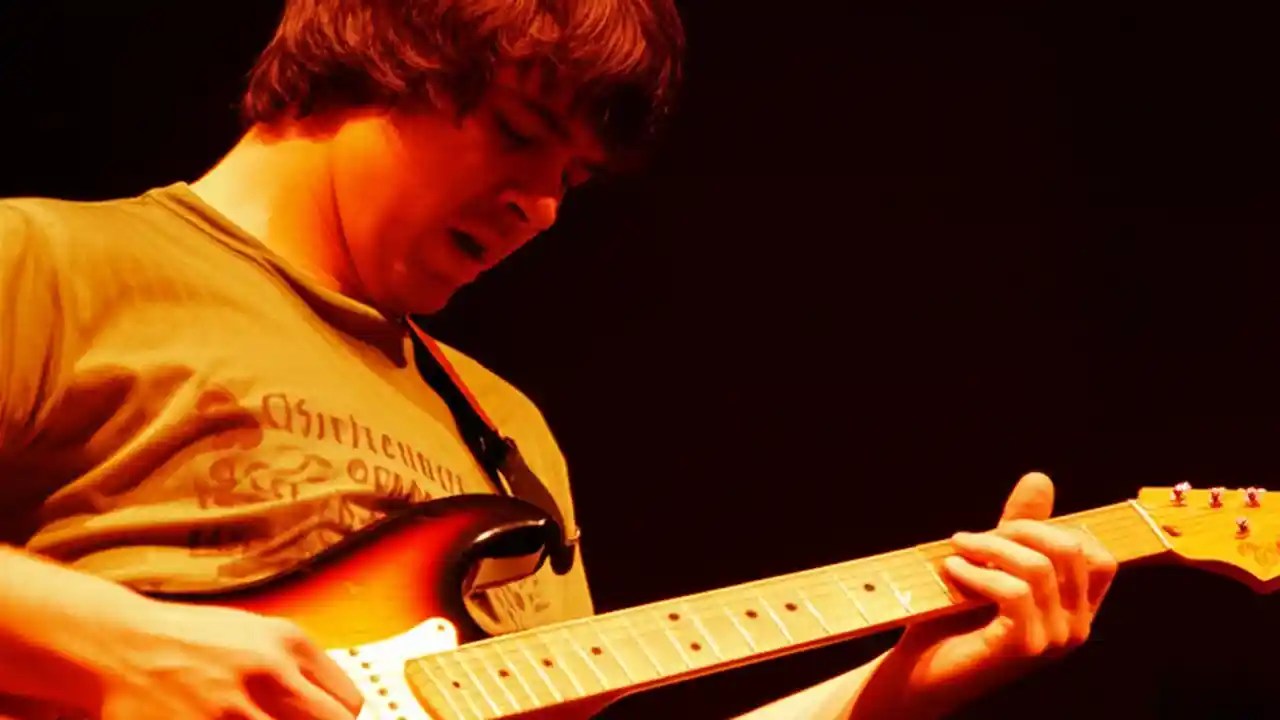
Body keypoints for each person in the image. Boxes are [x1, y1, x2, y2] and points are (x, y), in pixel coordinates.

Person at [0, 1, 1118, 718]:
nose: (539, 207)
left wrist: (903, 688)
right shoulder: (46, 256)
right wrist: (118, 644)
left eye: (573, 180)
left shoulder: (507, 433)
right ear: (364, 50)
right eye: (519, 131)